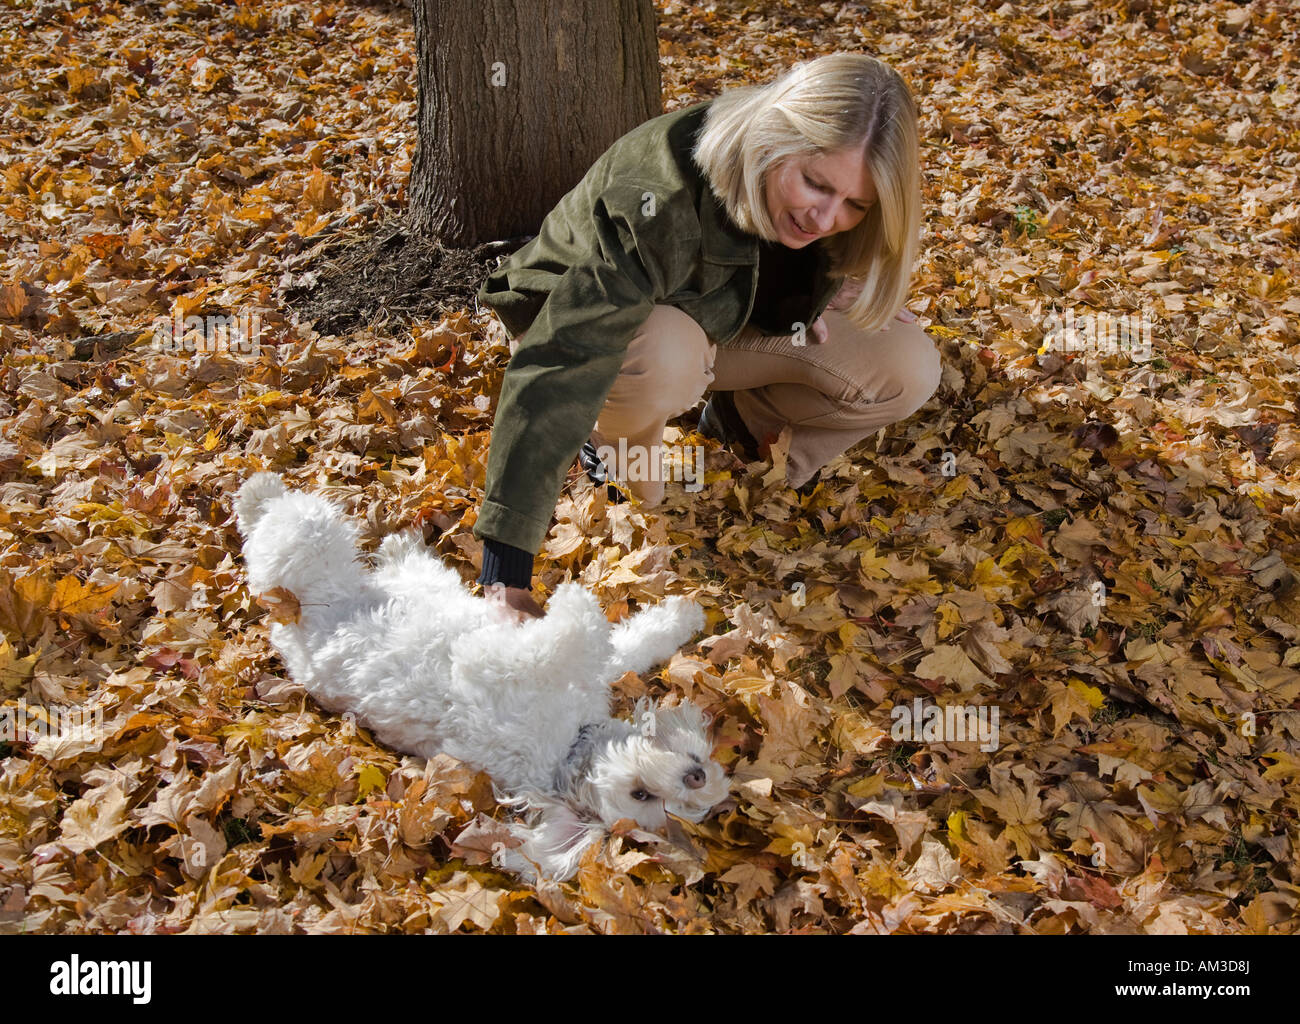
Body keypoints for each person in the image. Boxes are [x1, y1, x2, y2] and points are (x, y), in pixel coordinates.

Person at [472, 53, 941, 622]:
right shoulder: (657, 200)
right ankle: (614, 446)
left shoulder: (828, 207)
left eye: (855, 205)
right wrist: (505, 574)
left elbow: (812, 251)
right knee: (666, 355)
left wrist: (823, 290)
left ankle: (740, 424)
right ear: (775, 138)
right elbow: (562, 356)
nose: (825, 218)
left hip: (720, 322)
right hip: (592, 331)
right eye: (816, 184)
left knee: (906, 363)